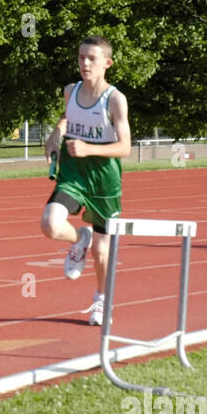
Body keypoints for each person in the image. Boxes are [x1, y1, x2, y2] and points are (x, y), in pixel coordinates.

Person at [41, 34, 131, 325]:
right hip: (72, 174)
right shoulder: (71, 91)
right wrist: (57, 133)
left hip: (104, 181)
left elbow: (125, 148)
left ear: (107, 63)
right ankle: (79, 237)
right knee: (50, 224)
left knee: (102, 252)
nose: (85, 63)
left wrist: (89, 148)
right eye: (81, 57)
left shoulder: (115, 100)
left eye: (92, 58)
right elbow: (68, 118)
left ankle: (102, 302)